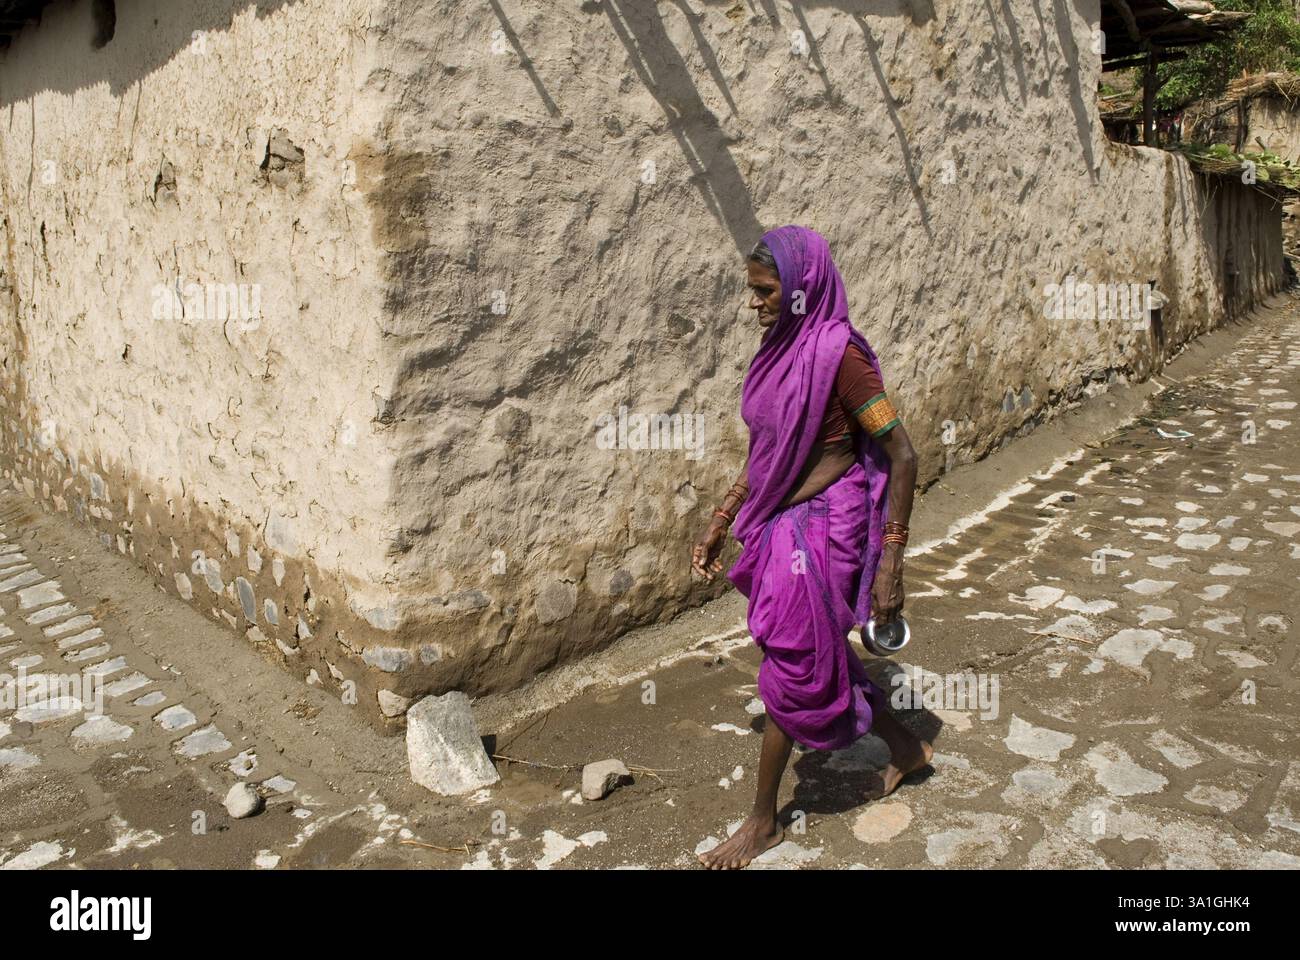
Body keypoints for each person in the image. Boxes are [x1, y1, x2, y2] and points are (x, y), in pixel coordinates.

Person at [690, 225, 932, 870]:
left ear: (801, 289)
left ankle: (763, 820)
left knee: (796, 661)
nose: (755, 303)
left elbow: (902, 453)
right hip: (780, 518)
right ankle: (906, 749)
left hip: (826, 522)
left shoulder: (838, 355)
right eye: (752, 291)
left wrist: (891, 560)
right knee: (814, 646)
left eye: (766, 291)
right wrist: (724, 514)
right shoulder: (779, 351)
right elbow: (766, 449)